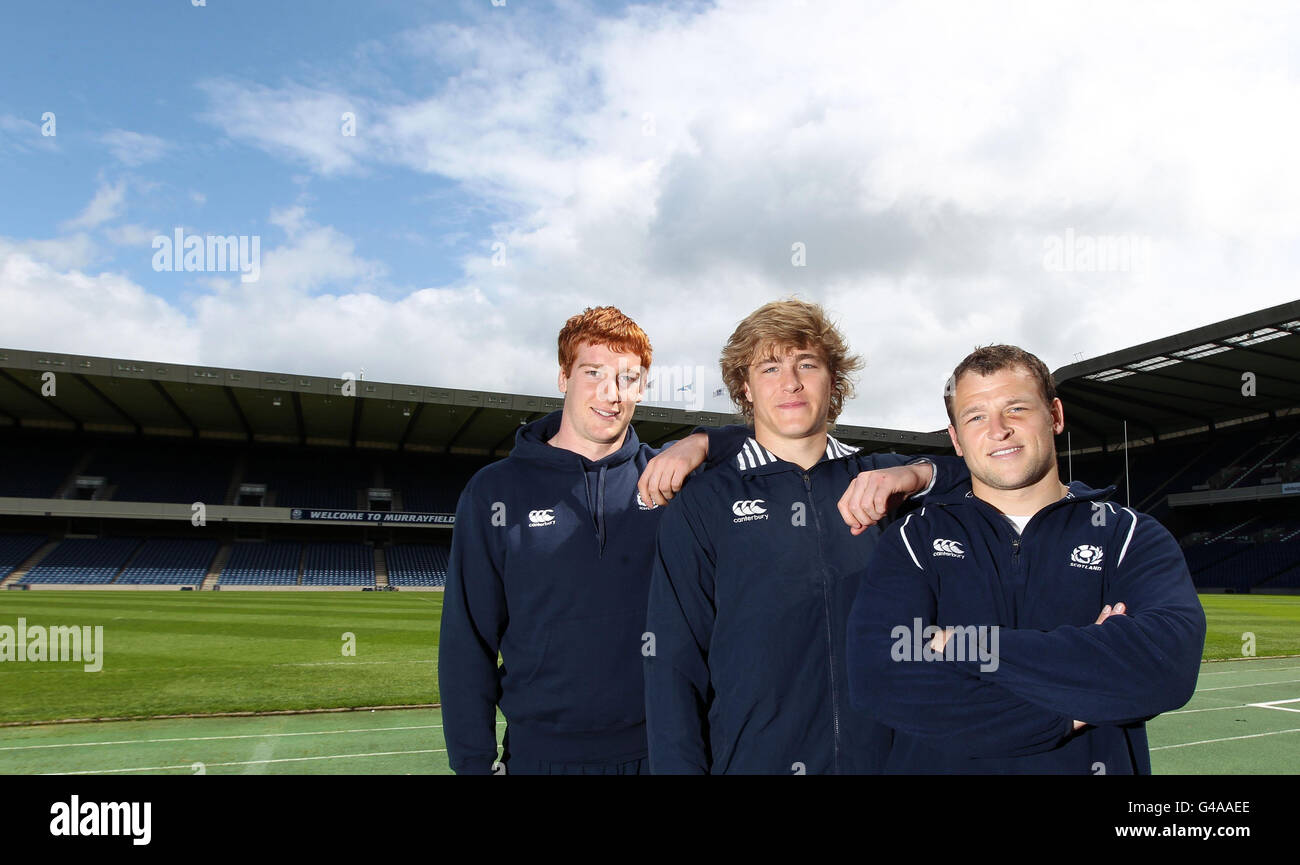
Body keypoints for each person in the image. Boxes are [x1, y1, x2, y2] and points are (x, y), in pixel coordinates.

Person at [845, 344, 1206, 773]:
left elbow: (1163, 667)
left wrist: (958, 643)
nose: (998, 430)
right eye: (976, 416)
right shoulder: (914, 539)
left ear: (1054, 415)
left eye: (1016, 408)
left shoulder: (1130, 535)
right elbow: (879, 679)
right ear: (957, 440)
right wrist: (1068, 715)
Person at [644, 299, 969, 774]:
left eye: (807, 364)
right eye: (770, 367)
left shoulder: (884, 482)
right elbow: (672, 666)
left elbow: (991, 473)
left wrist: (917, 474)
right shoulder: (704, 502)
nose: (790, 382)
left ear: (833, 380)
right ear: (745, 389)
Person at [438, 306, 749, 775]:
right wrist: (472, 764)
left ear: (642, 387)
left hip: (666, 751)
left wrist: (701, 442)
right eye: (593, 372)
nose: (611, 393)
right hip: (542, 756)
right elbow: (467, 639)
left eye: (627, 377)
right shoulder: (494, 490)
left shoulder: (670, 476)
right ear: (564, 377)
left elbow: (775, 444)